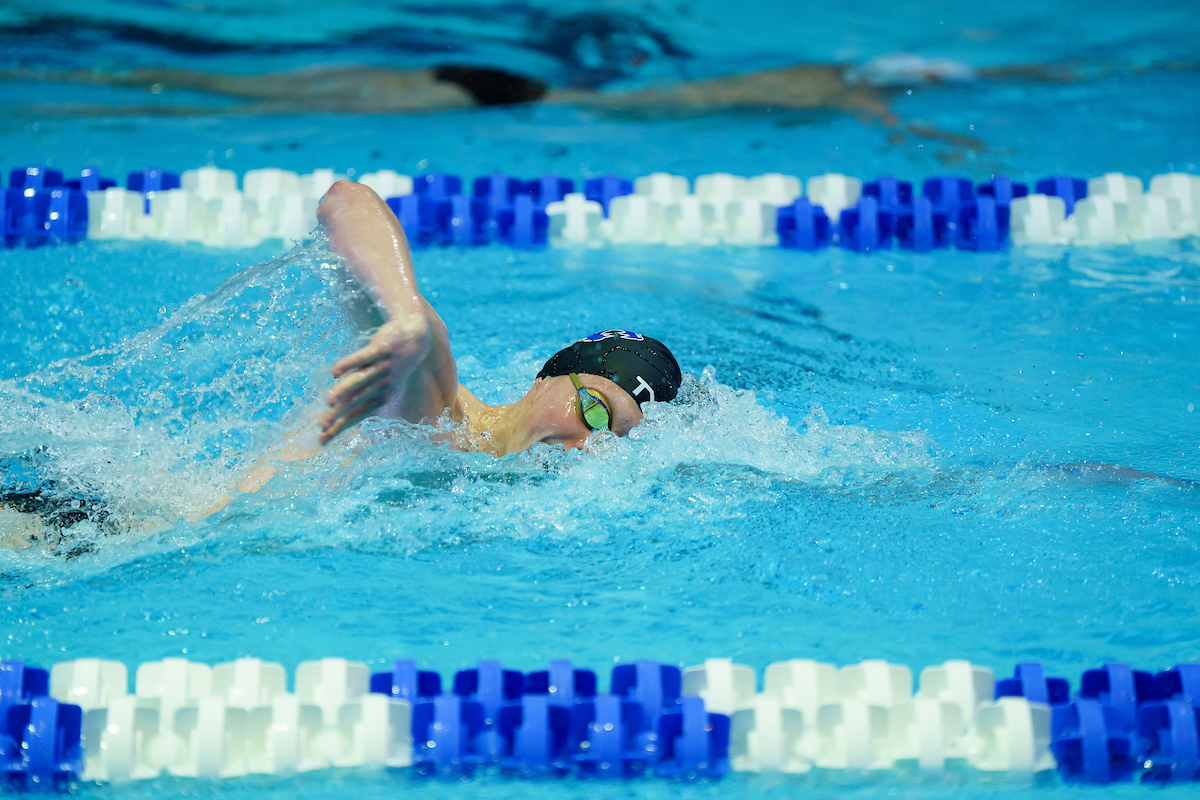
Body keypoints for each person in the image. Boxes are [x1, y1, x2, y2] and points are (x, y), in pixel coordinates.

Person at [310, 180, 683, 455]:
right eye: (595, 413)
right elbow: (345, 199)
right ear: (546, 378)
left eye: (609, 447)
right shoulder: (434, 419)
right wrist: (406, 316)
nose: (584, 447)